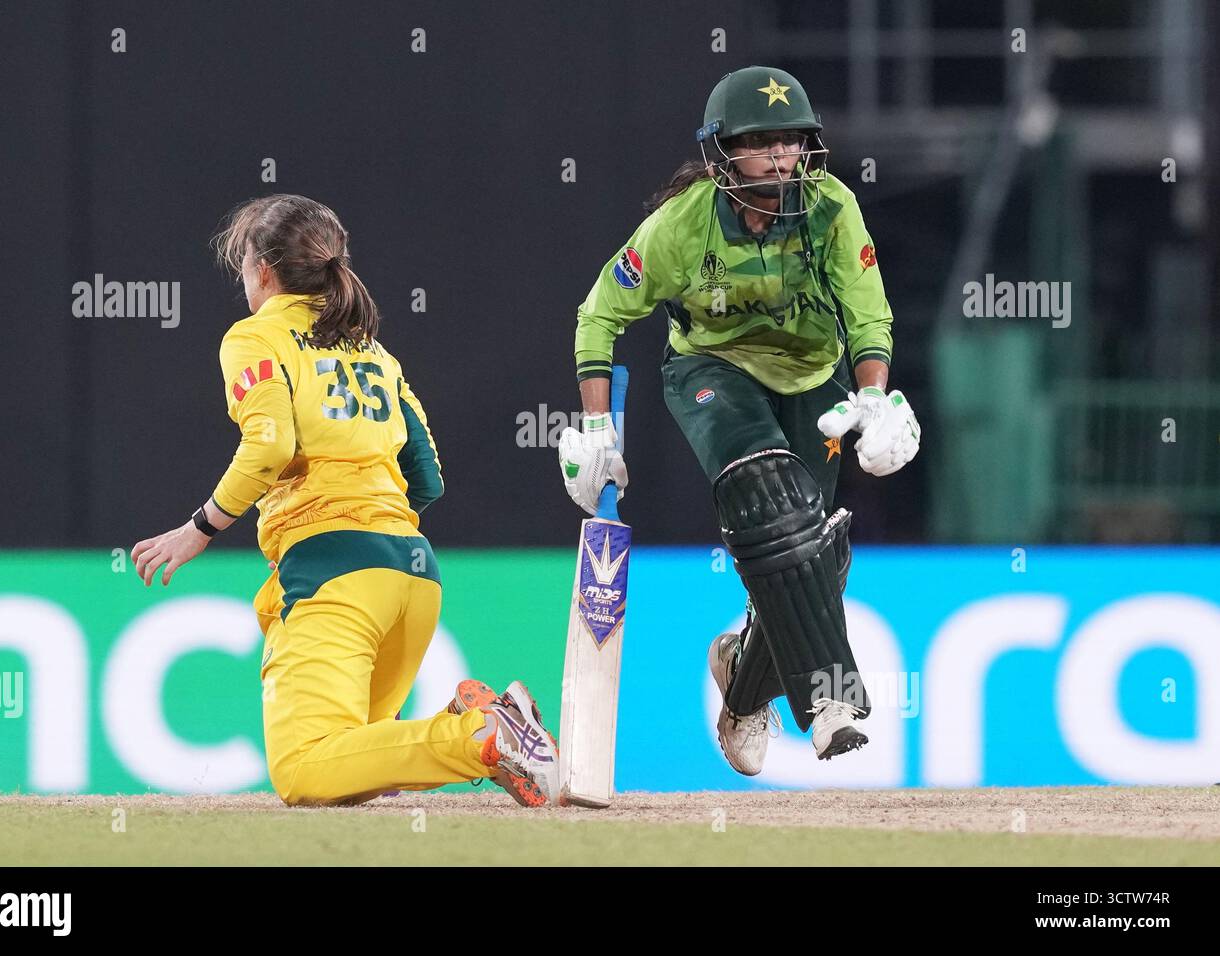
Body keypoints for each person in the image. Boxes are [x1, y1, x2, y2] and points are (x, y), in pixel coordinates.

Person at [131, 194, 559, 806]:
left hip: (335, 574)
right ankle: (476, 726)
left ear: (262, 271)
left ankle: (483, 733)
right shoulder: (375, 353)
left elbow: (270, 444)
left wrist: (198, 528)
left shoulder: (255, 337)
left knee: (303, 772)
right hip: (413, 577)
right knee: (350, 768)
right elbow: (428, 479)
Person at [558, 67, 920, 776]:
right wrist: (596, 429)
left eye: (790, 142)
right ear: (723, 152)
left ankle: (743, 687)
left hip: (815, 377)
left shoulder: (831, 208)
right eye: (761, 144)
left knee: (810, 551)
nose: (780, 159)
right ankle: (832, 701)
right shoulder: (682, 225)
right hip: (711, 372)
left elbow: (869, 314)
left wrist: (875, 400)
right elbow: (598, 315)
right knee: (770, 498)